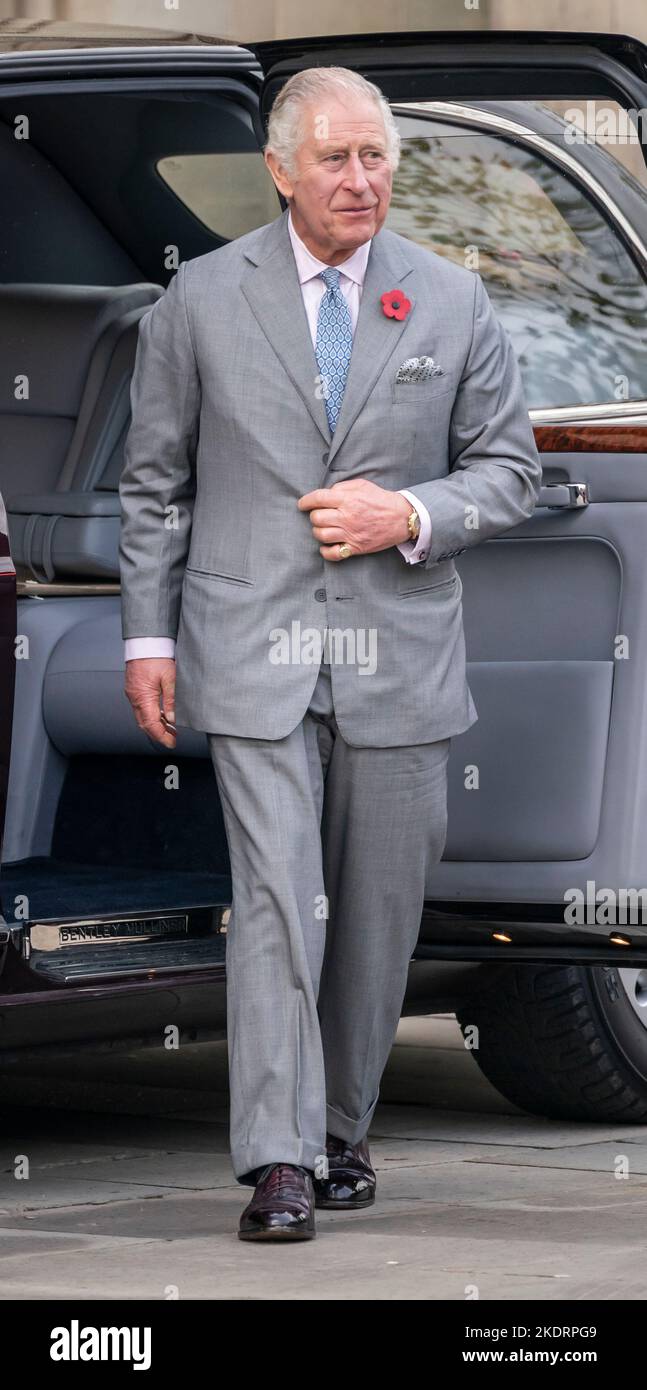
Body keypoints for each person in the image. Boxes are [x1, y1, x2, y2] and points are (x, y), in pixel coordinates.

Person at [119, 66, 541, 1242]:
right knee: (275, 904)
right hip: (249, 649)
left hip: (396, 657)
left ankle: (341, 1128)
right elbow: (153, 485)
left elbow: (505, 472)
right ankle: (277, 1160)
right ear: (280, 170)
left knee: (371, 913)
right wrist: (146, 636)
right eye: (337, 160)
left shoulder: (452, 300)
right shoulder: (198, 299)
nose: (361, 182)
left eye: (377, 159)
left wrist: (403, 516)